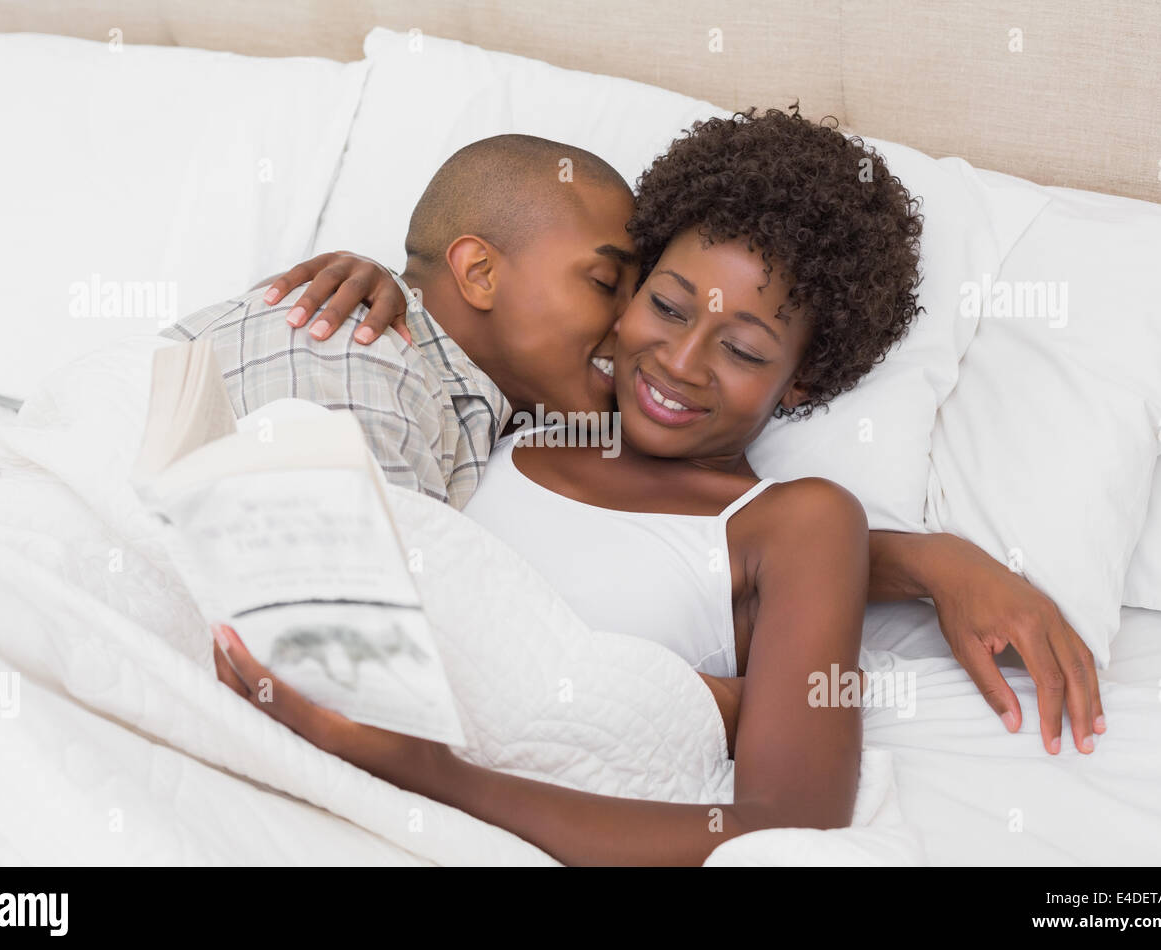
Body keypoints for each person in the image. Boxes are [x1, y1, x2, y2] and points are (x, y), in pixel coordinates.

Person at [211, 109, 1100, 865]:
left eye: (746, 350)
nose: (678, 362)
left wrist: (430, 775)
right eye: (666, 307)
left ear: (802, 383)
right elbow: (435, 379)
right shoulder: (541, 411)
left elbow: (782, 829)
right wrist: (388, 285)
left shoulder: (801, 523)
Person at [164, 134, 638, 508]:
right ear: (480, 273)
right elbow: (348, 609)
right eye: (604, 282)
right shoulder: (355, 352)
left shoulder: (488, 408)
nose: (632, 324)